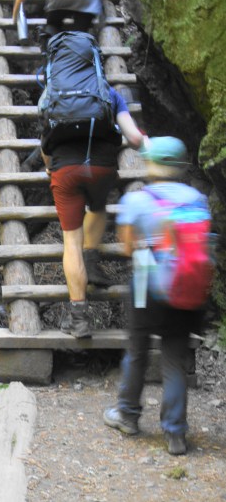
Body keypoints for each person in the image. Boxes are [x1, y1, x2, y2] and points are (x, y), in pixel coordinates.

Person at [104, 137, 210, 455]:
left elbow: (125, 247)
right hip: (186, 287)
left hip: (145, 286)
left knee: (137, 352)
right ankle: (175, 433)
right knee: (175, 360)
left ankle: (128, 416)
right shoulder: (197, 199)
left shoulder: (137, 200)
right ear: (180, 166)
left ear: (151, 164)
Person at [41, 82, 147, 339]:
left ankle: (79, 321)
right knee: (98, 206)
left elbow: (45, 144)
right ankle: (92, 261)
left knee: (71, 242)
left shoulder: (51, 92)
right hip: (102, 167)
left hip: (65, 170)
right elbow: (133, 138)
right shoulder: (109, 93)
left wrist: (49, 168)